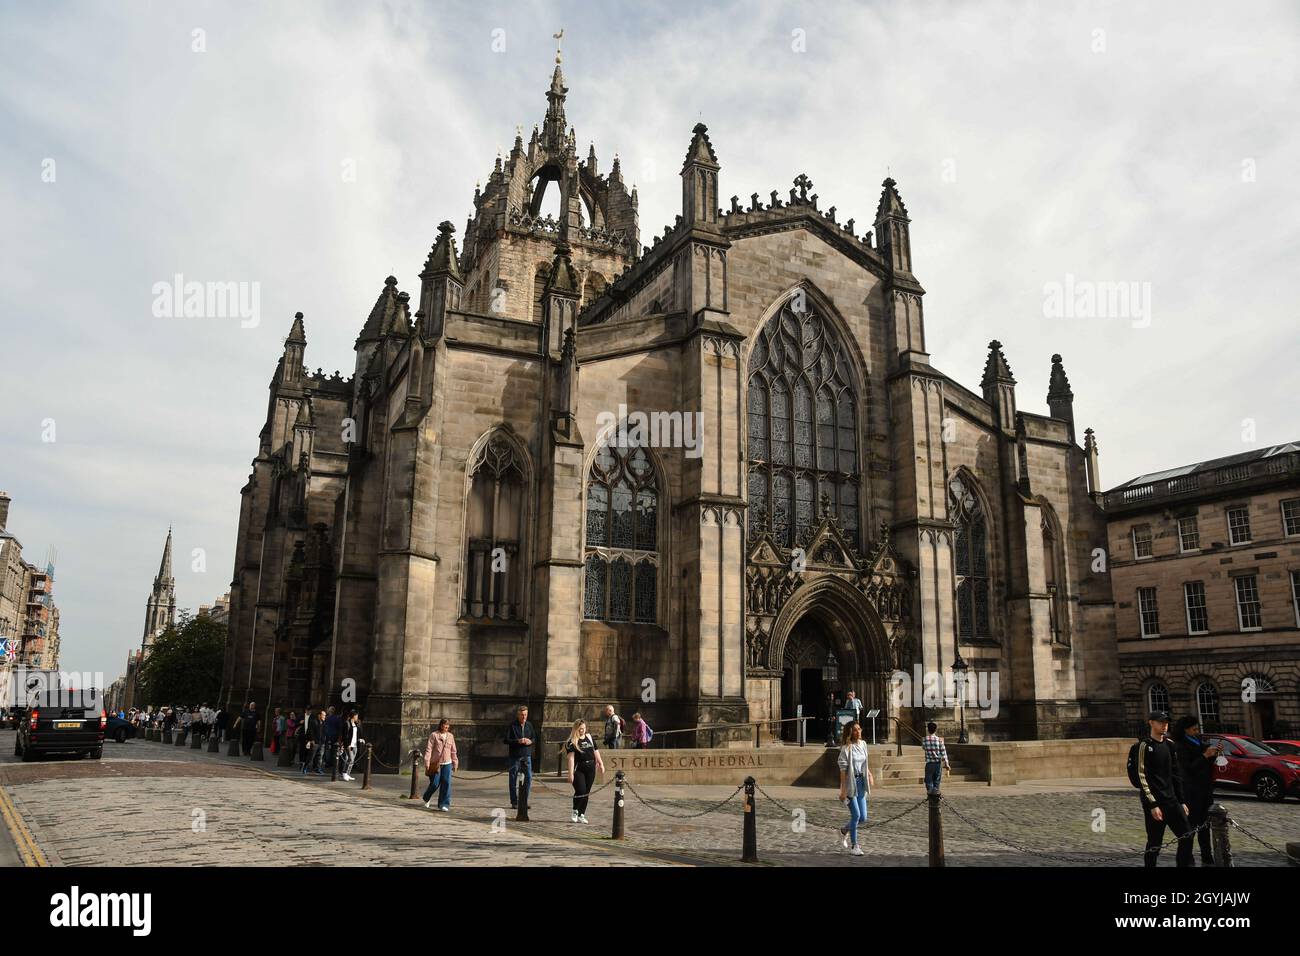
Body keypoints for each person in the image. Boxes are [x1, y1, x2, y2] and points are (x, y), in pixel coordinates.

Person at [1136, 710, 1193, 868]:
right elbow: (1142, 776)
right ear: (1151, 723)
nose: (1164, 725)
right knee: (1155, 843)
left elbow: (1176, 775)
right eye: (1161, 722)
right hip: (1156, 803)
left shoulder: (1170, 745)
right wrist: (1152, 804)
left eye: (1166, 722)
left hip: (1172, 801)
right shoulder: (1145, 746)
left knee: (1187, 836)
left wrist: (1182, 801)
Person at [1172, 715, 1217, 866]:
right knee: (1190, 827)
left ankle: (1207, 857)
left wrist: (1213, 755)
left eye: (1198, 729)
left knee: (1205, 827)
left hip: (1205, 789)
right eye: (1194, 729)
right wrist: (1205, 756)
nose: (1197, 731)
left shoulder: (1199, 742)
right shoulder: (1180, 745)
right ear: (1186, 730)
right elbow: (1188, 769)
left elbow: (1206, 764)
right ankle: (1186, 859)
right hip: (1191, 791)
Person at [837, 720, 873, 857]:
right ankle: (854, 846)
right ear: (850, 733)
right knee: (856, 815)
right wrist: (843, 790)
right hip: (850, 783)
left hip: (861, 783)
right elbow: (842, 771)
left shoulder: (863, 744)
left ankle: (844, 830)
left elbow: (865, 762)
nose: (858, 732)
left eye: (859, 729)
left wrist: (869, 774)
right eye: (855, 730)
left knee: (863, 818)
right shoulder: (846, 749)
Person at [564, 719, 605, 824]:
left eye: (584, 728)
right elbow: (571, 759)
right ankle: (575, 810)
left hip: (591, 767)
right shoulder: (571, 742)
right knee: (581, 790)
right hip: (579, 768)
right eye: (580, 729)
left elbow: (595, 751)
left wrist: (601, 763)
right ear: (576, 728)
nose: (582, 730)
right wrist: (570, 773)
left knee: (586, 792)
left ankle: (582, 814)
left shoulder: (589, 737)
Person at [504, 705, 536, 810]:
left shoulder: (529, 725)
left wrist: (530, 741)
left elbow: (534, 737)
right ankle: (514, 801)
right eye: (522, 715)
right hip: (515, 756)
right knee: (513, 778)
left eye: (525, 715)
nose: (524, 717)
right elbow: (506, 740)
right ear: (518, 715)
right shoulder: (512, 725)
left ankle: (524, 801)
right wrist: (518, 741)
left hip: (526, 755)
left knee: (528, 778)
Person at [422, 718, 458, 811]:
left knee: (446, 783)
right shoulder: (434, 735)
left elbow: (453, 751)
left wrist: (455, 762)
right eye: (444, 725)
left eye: (447, 725)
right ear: (441, 725)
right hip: (435, 764)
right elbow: (429, 749)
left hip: (447, 763)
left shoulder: (450, 736)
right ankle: (426, 797)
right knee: (434, 784)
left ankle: (444, 804)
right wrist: (427, 762)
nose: (446, 727)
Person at [922, 721, 950, 795]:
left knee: (928, 781)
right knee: (936, 781)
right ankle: (935, 795)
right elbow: (944, 753)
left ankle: (930, 795)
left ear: (928, 730)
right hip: (938, 764)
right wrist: (947, 764)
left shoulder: (924, 739)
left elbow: (924, 748)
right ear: (936, 729)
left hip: (929, 763)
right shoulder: (939, 740)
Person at [340, 711, 365, 781]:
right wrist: (347, 745)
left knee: (352, 760)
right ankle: (344, 773)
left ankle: (348, 774)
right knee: (350, 759)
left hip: (355, 744)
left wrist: (360, 739)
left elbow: (357, 734)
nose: (357, 717)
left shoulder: (356, 724)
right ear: (353, 716)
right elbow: (345, 736)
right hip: (349, 745)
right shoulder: (347, 723)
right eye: (356, 716)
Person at [301, 708, 325, 774]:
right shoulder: (314, 721)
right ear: (319, 715)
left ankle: (317, 768)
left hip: (321, 742)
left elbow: (324, 732)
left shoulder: (323, 723)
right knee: (311, 756)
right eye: (323, 715)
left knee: (320, 757)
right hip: (315, 742)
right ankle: (305, 767)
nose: (324, 717)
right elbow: (310, 731)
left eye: (325, 715)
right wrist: (312, 740)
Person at [323, 705, 341, 773]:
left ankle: (328, 763)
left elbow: (325, 727)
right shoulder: (337, 718)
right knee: (333, 750)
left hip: (328, 736)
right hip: (334, 736)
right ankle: (333, 763)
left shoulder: (327, 718)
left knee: (328, 750)